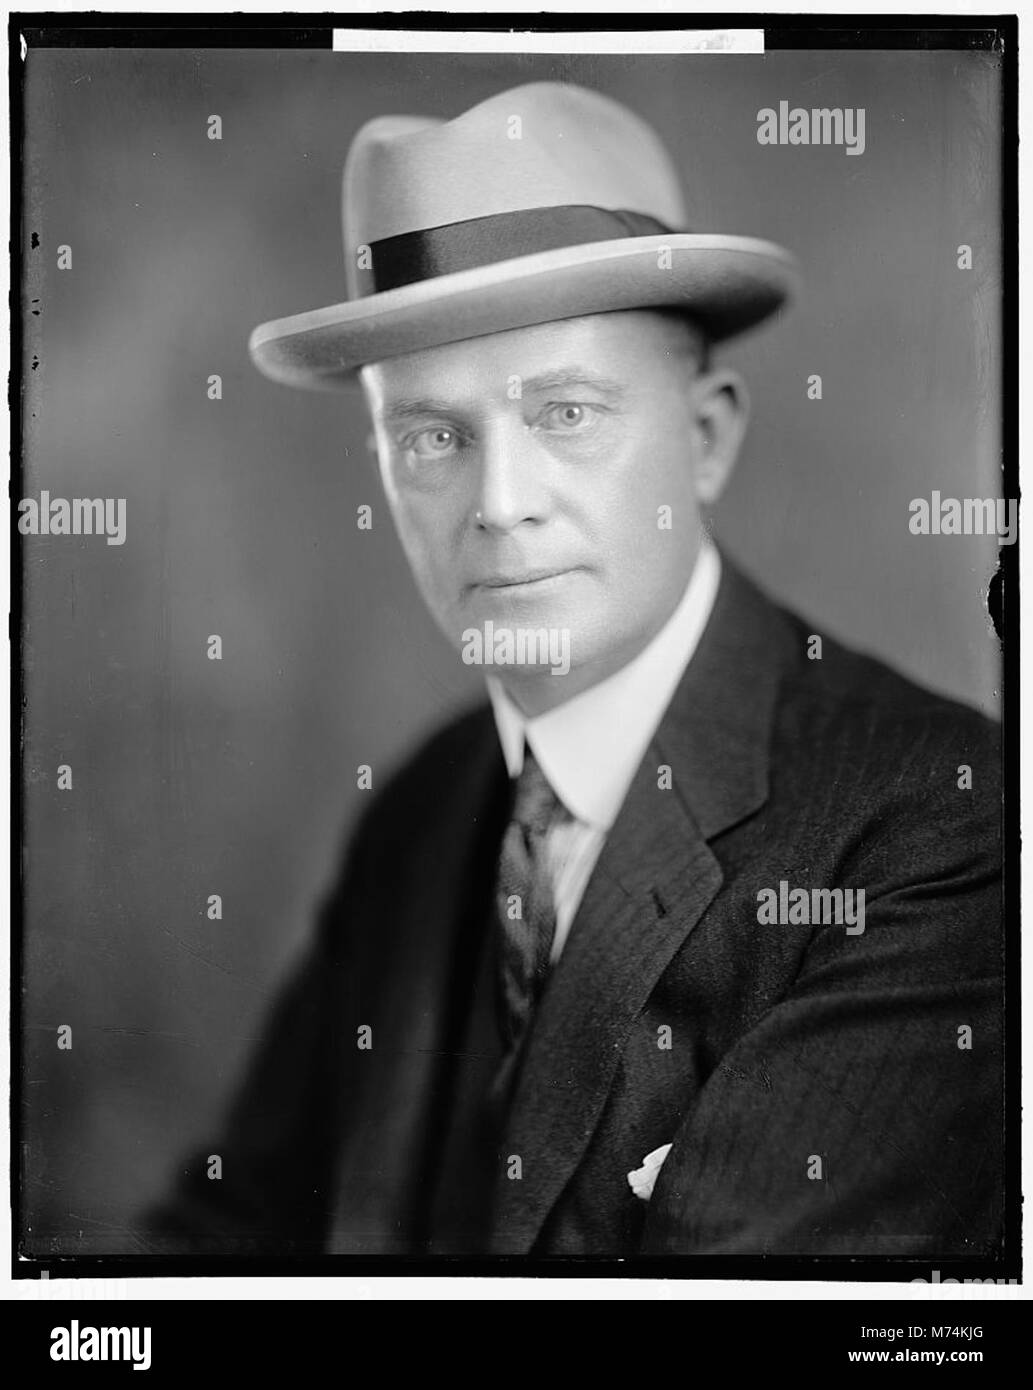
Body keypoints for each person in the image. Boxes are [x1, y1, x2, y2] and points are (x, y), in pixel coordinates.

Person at [148, 81, 1002, 1258]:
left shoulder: (940, 830)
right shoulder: (424, 807)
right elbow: (217, 1240)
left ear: (705, 438)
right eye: (432, 437)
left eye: (564, 414)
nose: (499, 506)